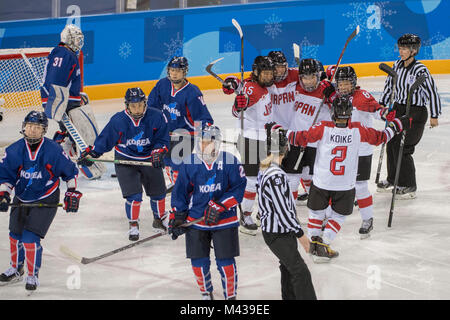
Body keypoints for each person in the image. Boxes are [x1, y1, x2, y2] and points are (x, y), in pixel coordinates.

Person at [286, 96, 409, 262]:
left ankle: (314, 243)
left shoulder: (323, 127)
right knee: (338, 215)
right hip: (344, 184)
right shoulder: (358, 129)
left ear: (332, 113)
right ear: (350, 113)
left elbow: (300, 138)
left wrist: (281, 131)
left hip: (322, 181)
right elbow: (381, 138)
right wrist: (396, 126)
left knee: (316, 212)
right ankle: (325, 242)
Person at [0, 111, 81, 293]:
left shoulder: (53, 150)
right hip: (21, 198)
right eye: (30, 127)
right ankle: (16, 268)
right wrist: (4, 195)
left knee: (29, 239)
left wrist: (72, 192)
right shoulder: (14, 150)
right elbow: (6, 176)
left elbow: (70, 172)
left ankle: (32, 275)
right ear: (24, 127)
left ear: (44, 130)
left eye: (37, 128)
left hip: (45, 199)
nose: (33, 131)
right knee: (15, 235)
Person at [77, 87, 170, 240]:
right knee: (134, 197)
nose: (138, 109)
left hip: (149, 159)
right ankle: (133, 223)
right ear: (127, 105)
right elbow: (105, 140)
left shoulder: (157, 116)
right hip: (126, 161)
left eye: (140, 104)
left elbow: (162, 139)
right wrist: (92, 153)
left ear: (145, 103)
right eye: (134, 105)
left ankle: (160, 218)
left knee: (159, 193)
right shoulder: (118, 120)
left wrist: (159, 152)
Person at [169, 125, 246, 300]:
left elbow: (238, 189)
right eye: (202, 142)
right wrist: (178, 216)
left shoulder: (230, 161)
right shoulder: (189, 164)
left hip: (225, 220)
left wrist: (220, 205)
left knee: (226, 262)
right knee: (198, 262)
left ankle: (230, 297)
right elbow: (180, 192)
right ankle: (206, 293)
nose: (204, 146)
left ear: (216, 143)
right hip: (196, 220)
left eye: (208, 142)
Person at [377, 33, 442, 199]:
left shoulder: (420, 70)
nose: (401, 51)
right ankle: (393, 179)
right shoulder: (397, 65)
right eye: (400, 48)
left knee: (403, 146)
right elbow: (389, 86)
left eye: (404, 48)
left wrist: (434, 115)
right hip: (399, 108)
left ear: (414, 50)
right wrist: (382, 104)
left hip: (415, 112)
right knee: (391, 141)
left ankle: (409, 185)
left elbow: (432, 92)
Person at [334, 66, 395, 238]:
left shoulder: (362, 97)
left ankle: (367, 219)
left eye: (347, 83)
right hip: (342, 148)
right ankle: (330, 216)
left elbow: (377, 111)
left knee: (360, 185)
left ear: (353, 83)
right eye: (341, 83)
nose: (344, 87)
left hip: (361, 149)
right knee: (336, 184)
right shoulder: (335, 98)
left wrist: (386, 114)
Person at [257, 125, 316, 300]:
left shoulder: (267, 169)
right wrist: (301, 235)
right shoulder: (276, 175)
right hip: (278, 233)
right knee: (300, 272)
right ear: (285, 149)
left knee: (288, 268)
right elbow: (283, 211)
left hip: (279, 231)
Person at [40, 24, 105, 180]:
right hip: (61, 101)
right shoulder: (64, 54)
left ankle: (56, 158)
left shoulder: (64, 53)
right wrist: (57, 102)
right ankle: (56, 160)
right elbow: (56, 80)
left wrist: (76, 95)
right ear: (68, 39)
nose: (79, 43)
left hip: (63, 100)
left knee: (68, 133)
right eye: (76, 39)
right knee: (77, 135)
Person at [226, 56, 275, 235]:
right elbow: (236, 109)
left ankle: (263, 212)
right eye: (266, 73)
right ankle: (246, 215)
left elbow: (242, 86)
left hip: (264, 139)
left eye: (271, 73)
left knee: (264, 179)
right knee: (253, 181)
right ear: (256, 72)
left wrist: (235, 84)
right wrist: (239, 106)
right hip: (251, 140)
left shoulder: (259, 86)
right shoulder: (253, 90)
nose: (269, 76)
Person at [147, 56, 214, 185]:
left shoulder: (193, 92)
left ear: (185, 72)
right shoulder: (162, 84)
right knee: (166, 162)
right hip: (166, 133)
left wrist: (204, 130)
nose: (174, 73)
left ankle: (180, 188)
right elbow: (151, 106)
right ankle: (176, 184)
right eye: (172, 70)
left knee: (177, 164)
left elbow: (203, 117)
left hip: (186, 134)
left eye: (178, 70)